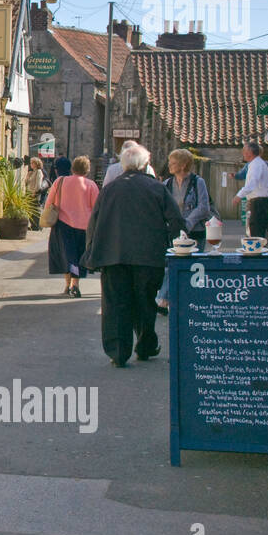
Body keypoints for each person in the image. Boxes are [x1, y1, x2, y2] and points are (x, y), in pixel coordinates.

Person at [82, 143, 185, 367]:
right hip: (149, 256)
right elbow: (176, 219)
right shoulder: (157, 188)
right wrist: (175, 244)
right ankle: (146, 345)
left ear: (123, 165)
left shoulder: (109, 189)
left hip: (113, 255)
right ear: (145, 164)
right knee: (145, 302)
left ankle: (118, 352)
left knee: (116, 303)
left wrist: (91, 251)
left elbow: (94, 222)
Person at [155, 148, 212, 315]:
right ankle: (165, 299)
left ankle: (180, 301)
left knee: (192, 268)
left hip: (195, 233)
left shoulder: (198, 182)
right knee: (171, 266)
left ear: (183, 165)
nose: (170, 165)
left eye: (173, 163)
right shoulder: (167, 184)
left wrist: (187, 224)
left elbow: (204, 207)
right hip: (174, 233)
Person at [46, 155, 99, 297]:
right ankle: (75, 283)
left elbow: (49, 202)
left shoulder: (60, 181)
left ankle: (67, 283)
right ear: (87, 170)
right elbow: (96, 208)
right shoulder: (91, 185)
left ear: (73, 167)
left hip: (63, 224)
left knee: (67, 254)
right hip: (84, 226)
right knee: (80, 255)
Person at [233, 141, 268, 241]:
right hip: (260, 201)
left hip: (259, 202)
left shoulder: (256, 165)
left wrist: (239, 196)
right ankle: (260, 252)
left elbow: (251, 183)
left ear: (249, 152)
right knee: (257, 231)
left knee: (257, 233)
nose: (243, 153)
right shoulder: (256, 164)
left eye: (244, 151)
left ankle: (258, 254)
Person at [24, 156, 49, 231]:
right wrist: (28, 176)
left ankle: (37, 226)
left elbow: (38, 184)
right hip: (29, 193)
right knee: (30, 210)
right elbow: (26, 183)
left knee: (35, 210)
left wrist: (35, 192)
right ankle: (33, 225)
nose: (31, 164)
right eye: (31, 163)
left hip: (34, 194)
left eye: (32, 163)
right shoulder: (32, 172)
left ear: (36, 164)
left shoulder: (38, 172)